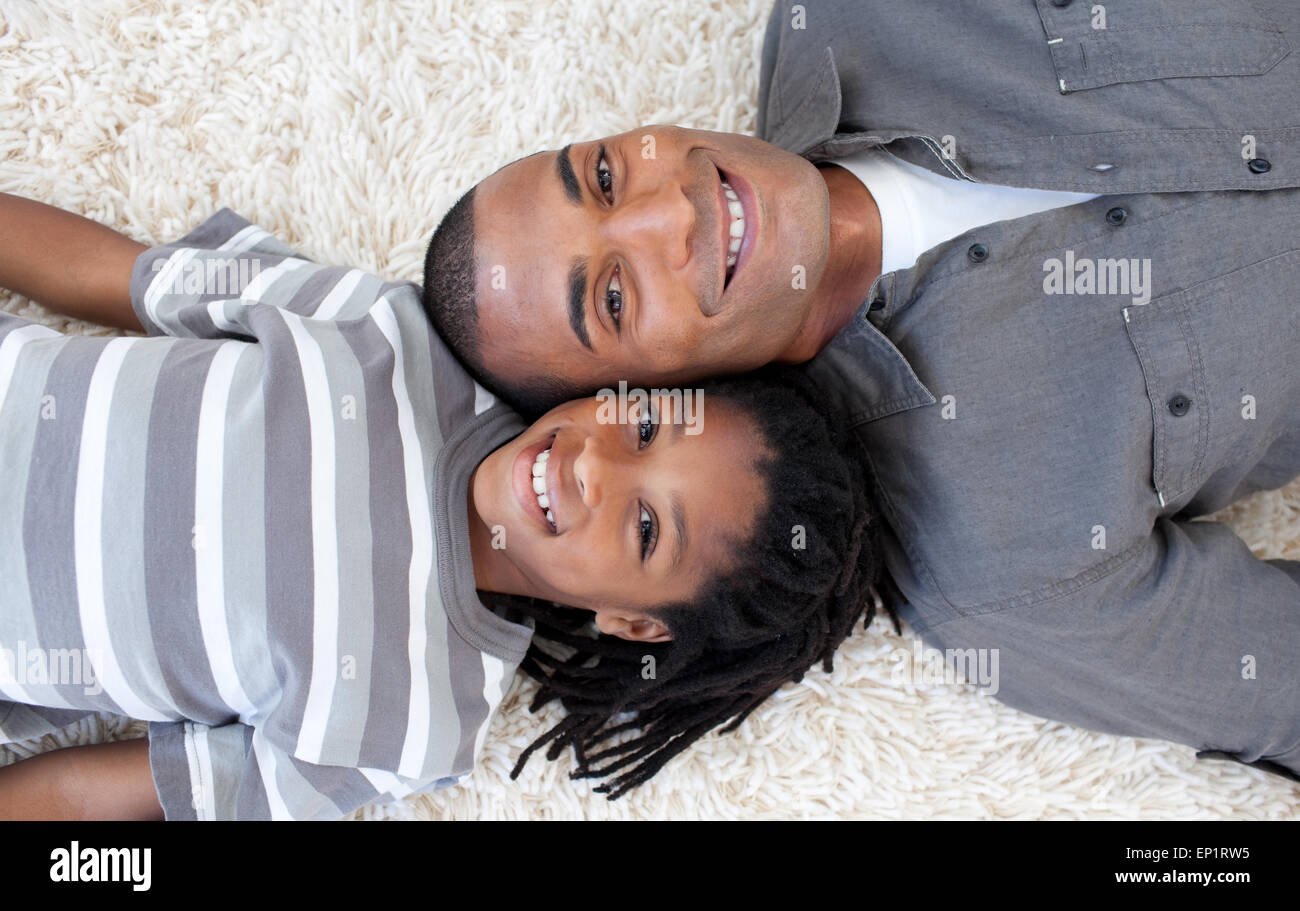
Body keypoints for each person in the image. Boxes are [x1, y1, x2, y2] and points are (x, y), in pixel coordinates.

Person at [420, 0, 1300, 781]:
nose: (673, 211)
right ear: (638, 394)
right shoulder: (993, 568)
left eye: (605, 178)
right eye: (613, 298)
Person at [0, 195, 895, 818]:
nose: (595, 466)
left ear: (633, 623)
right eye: (648, 423)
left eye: (648, 527)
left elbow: (126, 795)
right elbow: (124, 278)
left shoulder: (417, 720)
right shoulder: (387, 333)